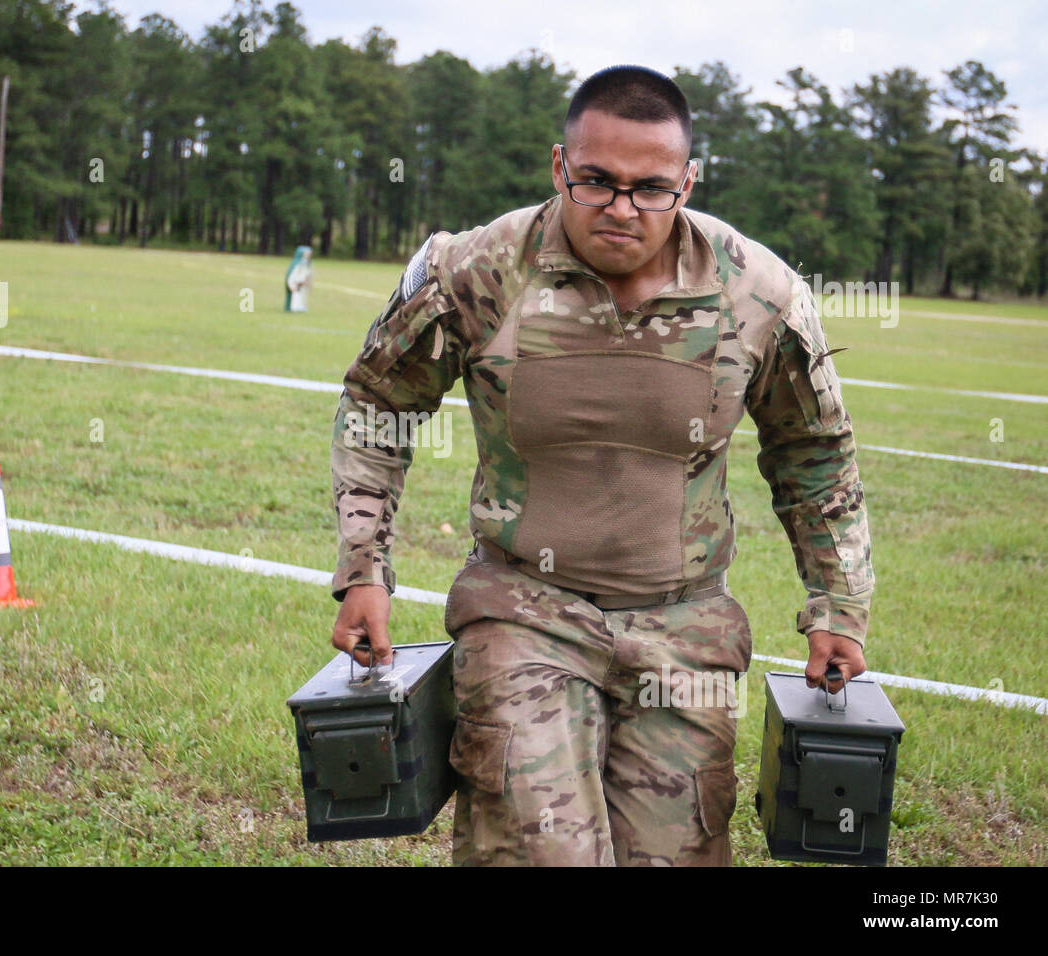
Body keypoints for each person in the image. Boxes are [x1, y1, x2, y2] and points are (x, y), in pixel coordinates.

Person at [328, 65, 873, 866]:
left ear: (687, 183)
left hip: (685, 625)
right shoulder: (478, 271)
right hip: (524, 611)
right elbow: (377, 403)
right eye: (597, 182)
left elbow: (814, 451)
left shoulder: (758, 294)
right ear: (560, 167)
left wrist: (837, 605)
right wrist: (363, 566)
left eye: (650, 187)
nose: (622, 208)